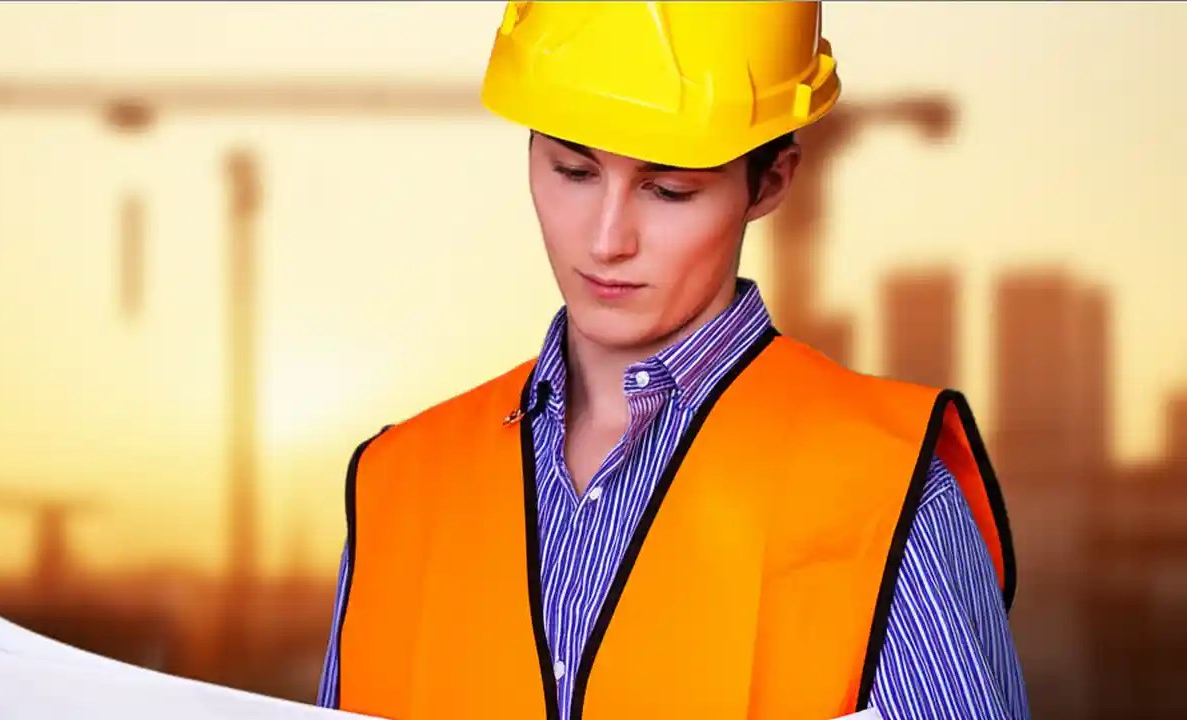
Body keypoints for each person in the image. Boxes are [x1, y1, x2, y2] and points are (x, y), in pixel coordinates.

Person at [316, 3, 1029, 719]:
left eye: (668, 189)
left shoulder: (886, 491)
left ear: (770, 182)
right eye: (573, 170)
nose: (607, 240)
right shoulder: (396, 485)